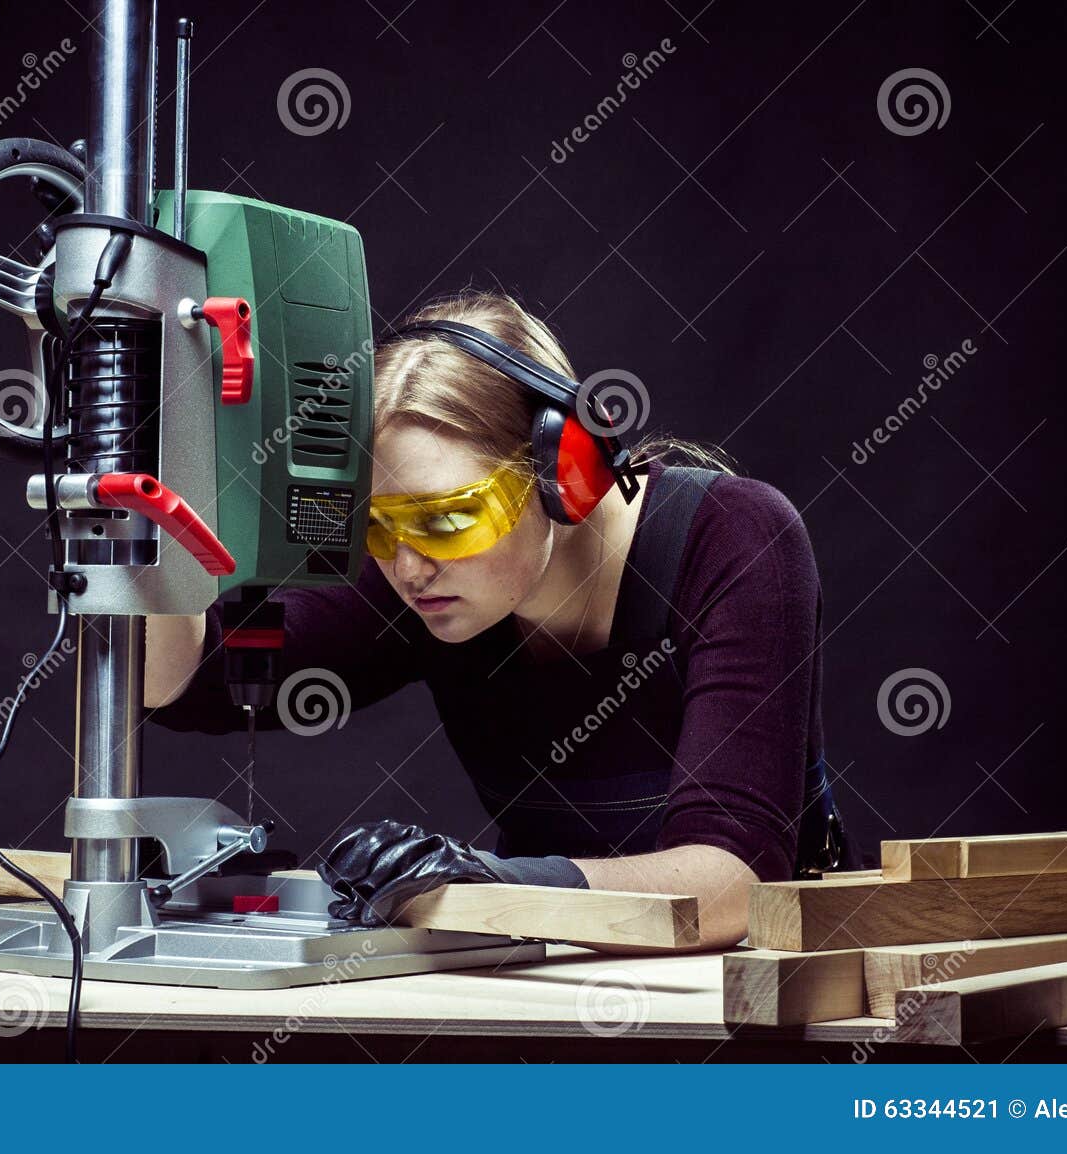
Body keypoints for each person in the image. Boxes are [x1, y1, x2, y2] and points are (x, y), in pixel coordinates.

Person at [145, 290, 849, 951]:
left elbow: (733, 880)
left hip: (743, 993)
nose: (410, 568)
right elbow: (192, 679)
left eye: (450, 517)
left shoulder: (735, 539)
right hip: (548, 974)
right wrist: (145, 485)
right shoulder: (417, 575)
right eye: (379, 530)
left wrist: (497, 880)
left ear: (563, 470)